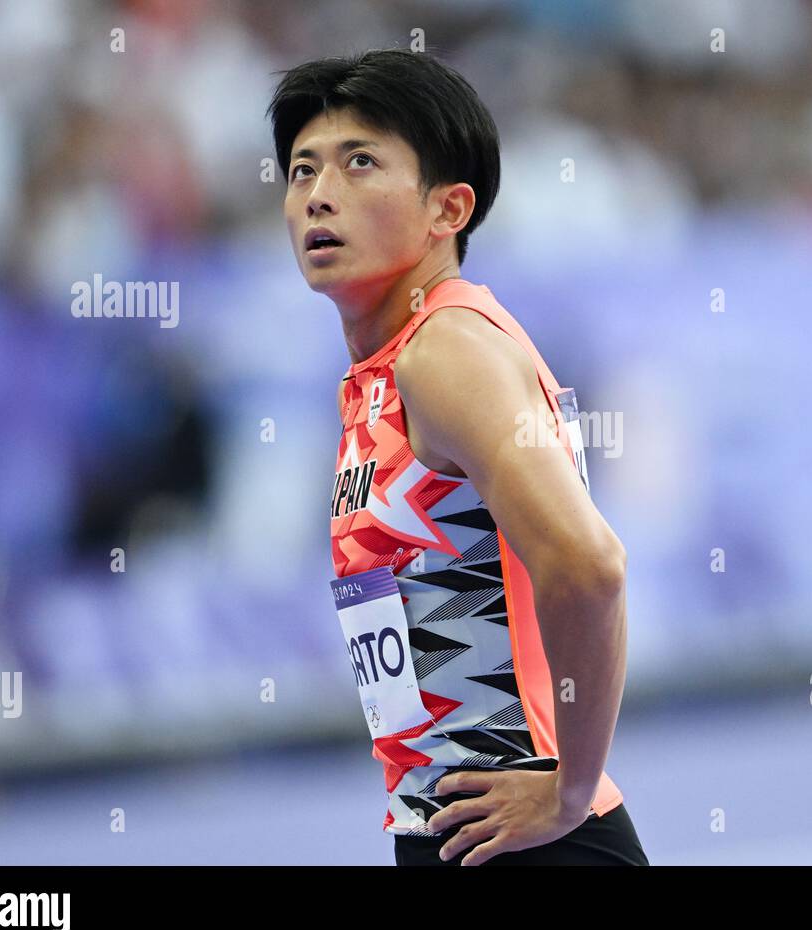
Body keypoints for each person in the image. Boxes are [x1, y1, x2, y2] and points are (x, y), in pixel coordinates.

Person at [268, 50, 647, 866]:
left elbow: (590, 565)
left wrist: (569, 791)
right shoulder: (383, 371)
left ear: (449, 209)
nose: (318, 194)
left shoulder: (446, 354)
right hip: (452, 831)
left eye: (359, 162)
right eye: (301, 171)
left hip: (531, 839)